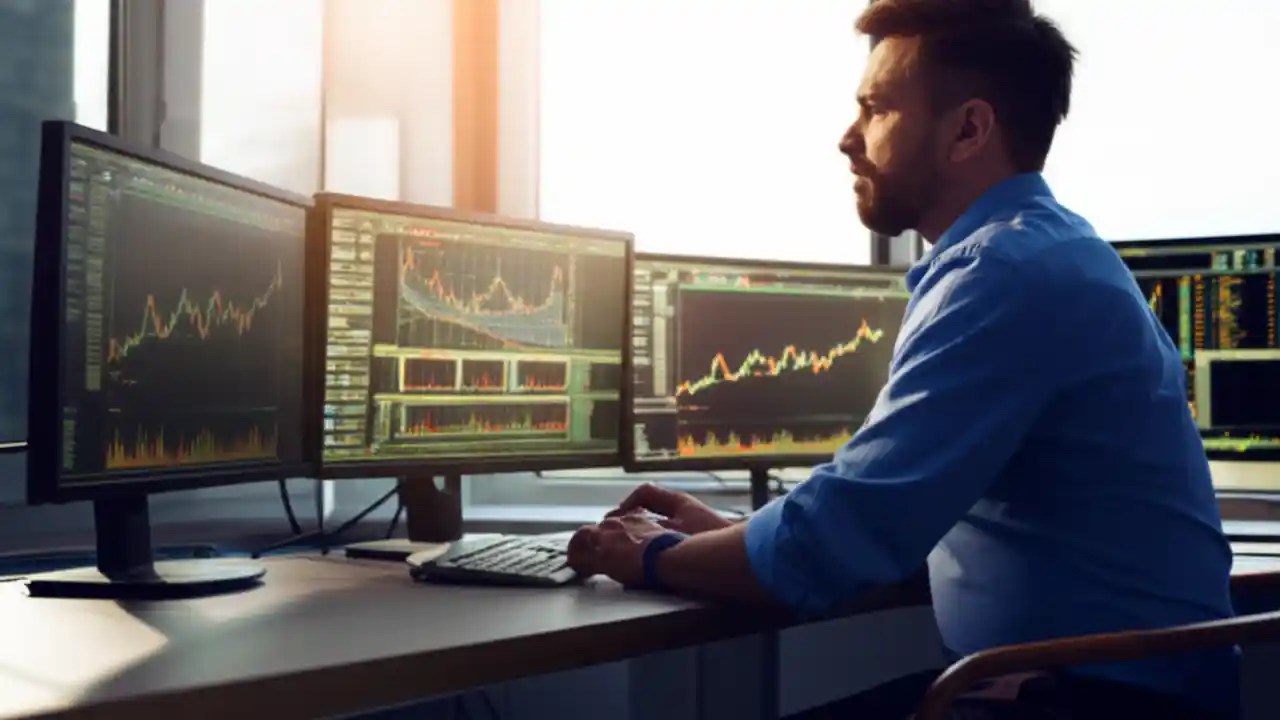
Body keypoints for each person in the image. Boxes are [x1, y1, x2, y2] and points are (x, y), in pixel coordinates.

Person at [567, 0, 1238, 718]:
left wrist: (647, 556)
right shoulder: (1045, 249)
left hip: (1093, 700)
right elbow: (891, 517)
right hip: (1067, 682)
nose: (847, 138)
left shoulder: (1004, 275)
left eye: (876, 109)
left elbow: (843, 534)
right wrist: (724, 538)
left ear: (969, 130)